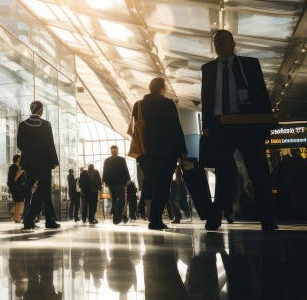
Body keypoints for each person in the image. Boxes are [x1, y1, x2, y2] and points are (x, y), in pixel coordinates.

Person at [200, 30, 276, 232]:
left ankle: (267, 219)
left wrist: (266, 123)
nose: (220, 47)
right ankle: (215, 218)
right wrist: (206, 127)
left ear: (233, 44)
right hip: (220, 125)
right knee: (223, 172)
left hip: (247, 123)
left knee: (258, 170)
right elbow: (207, 99)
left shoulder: (249, 65)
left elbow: (260, 92)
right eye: (216, 44)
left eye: (223, 43)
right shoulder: (208, 69)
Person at [133, 77, 187, 231]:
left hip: (145, 153)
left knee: (152, 183)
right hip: (165, 151)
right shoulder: (167, 104)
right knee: (163, 185)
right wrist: (182, 151)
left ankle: (154, 218)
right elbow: (175, 129)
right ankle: (155, 220)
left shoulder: (138, 105)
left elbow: (137, 129)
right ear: (162, 88)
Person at [17, 101, 60, 231]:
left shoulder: (23, 125)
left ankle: (47, 219)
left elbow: (20, 144)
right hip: (44, 162)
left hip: (29, 163)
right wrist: (54, 161)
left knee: (36, 190)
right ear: (41, 111)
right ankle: (31, 218)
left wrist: (30, 152)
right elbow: (50, 144)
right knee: (44, 190)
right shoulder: (46, 124)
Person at [102, 145, 131, 225]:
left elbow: (125, 169)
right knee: (120, 199)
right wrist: (104, 180)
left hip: (116, 182)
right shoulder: (120, 160)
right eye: (113, 151)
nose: (114, 152)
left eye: (115, 151)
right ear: (111, 151)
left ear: (117, 151)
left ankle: (116, 218)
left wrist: (104, 180)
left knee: (115, 199)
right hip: (118, 182)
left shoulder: (109, 160)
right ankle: (117, 217)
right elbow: (105, 170)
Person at [7, 155, 26, 223]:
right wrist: (20, 172)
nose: (21, 159)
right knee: (19, 202)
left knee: (19, 202)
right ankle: (17, 218)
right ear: (17, 159)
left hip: (20, 187)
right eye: (20, 158)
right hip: (15, 186)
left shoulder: (20, 167)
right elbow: (14, 178)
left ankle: (16, 217)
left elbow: (23, 179)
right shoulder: (13, 167)